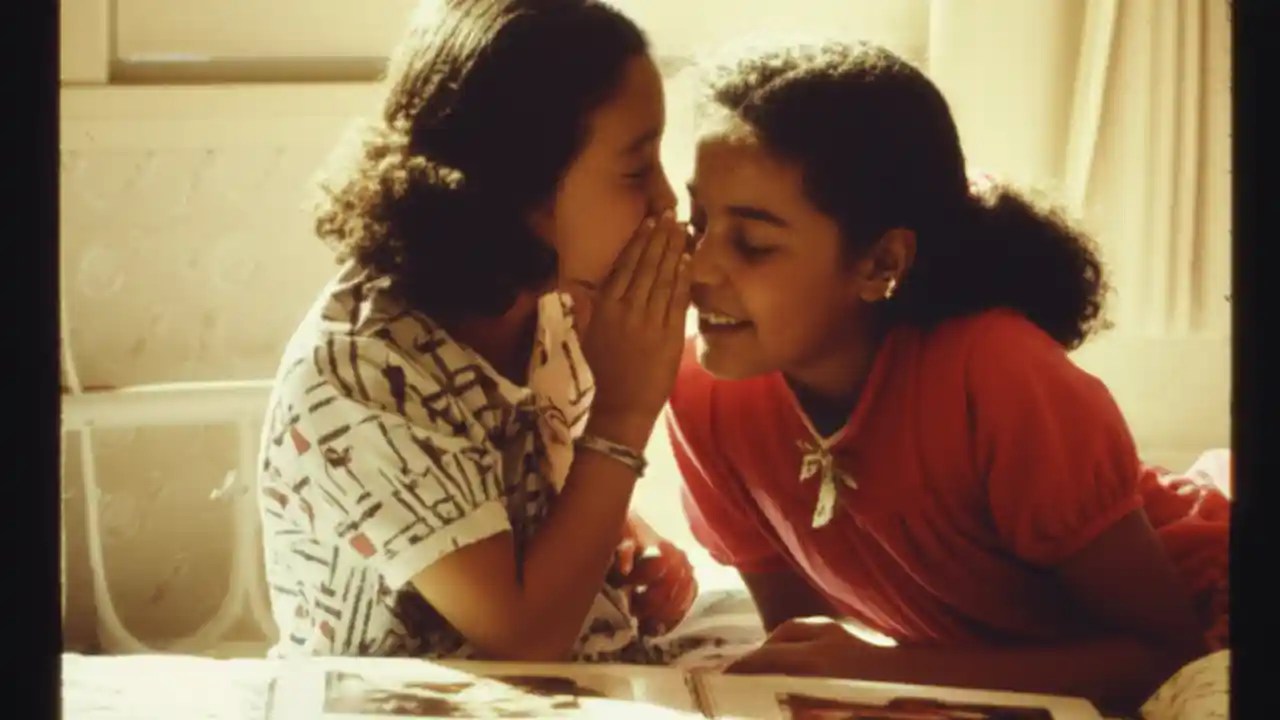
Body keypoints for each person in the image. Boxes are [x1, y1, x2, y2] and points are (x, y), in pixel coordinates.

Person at [665, 40, 1229, 715]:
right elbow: (802, 652)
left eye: (753, 244)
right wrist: (874, 673)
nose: (698, 269)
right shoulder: (705, 393)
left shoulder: (997, 378)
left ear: (880, 264)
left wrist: (891, 670)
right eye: (698, 222)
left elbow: (1163, 653)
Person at [257, 0, 698, 664]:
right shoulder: (363, 370)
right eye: (636, 170)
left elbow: (510, 498)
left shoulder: (545, 300)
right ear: (515, 182)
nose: (666, 201)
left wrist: (625, 536)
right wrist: (625, 415)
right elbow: (524, 637)